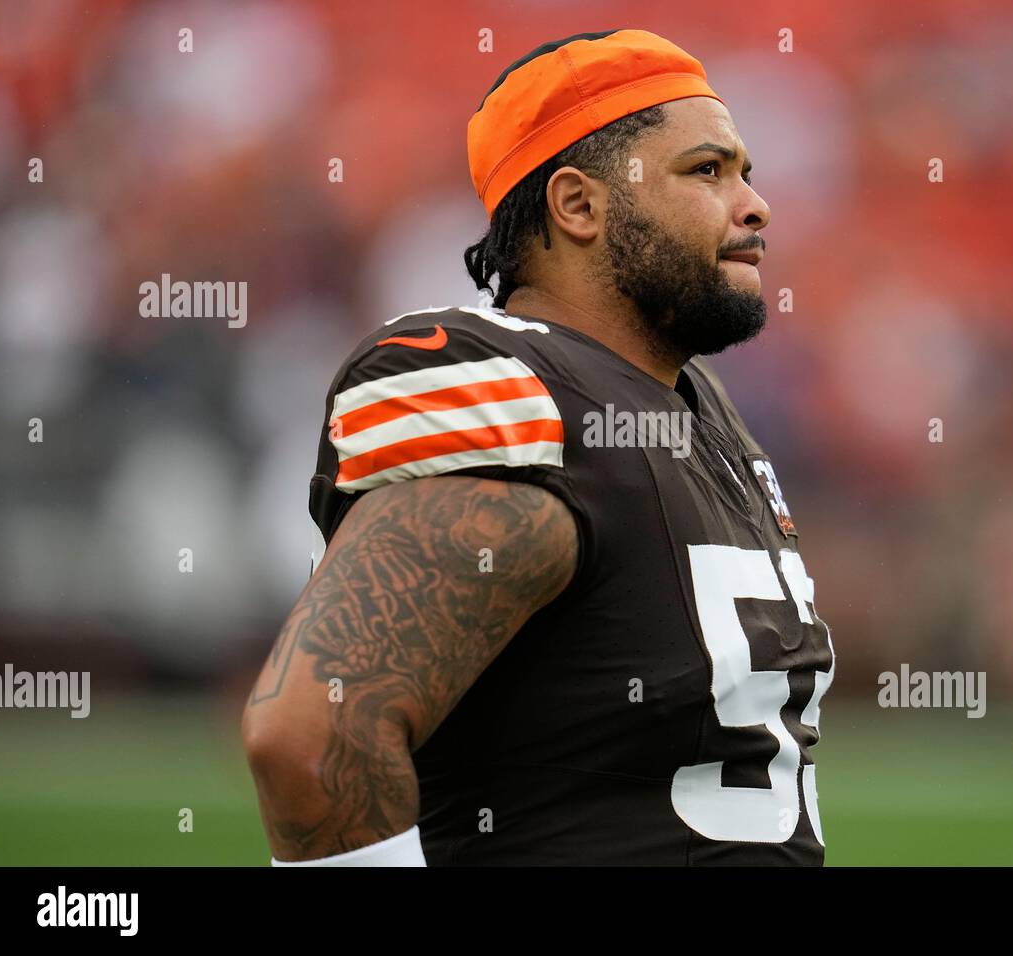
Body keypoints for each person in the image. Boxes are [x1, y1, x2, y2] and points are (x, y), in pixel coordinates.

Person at [242, 28, 834, 866]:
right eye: (706, 171)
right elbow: (313, 734)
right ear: (579, 205)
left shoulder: (701, 408)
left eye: (745, 172)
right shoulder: (503, 386)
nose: (753, 204)